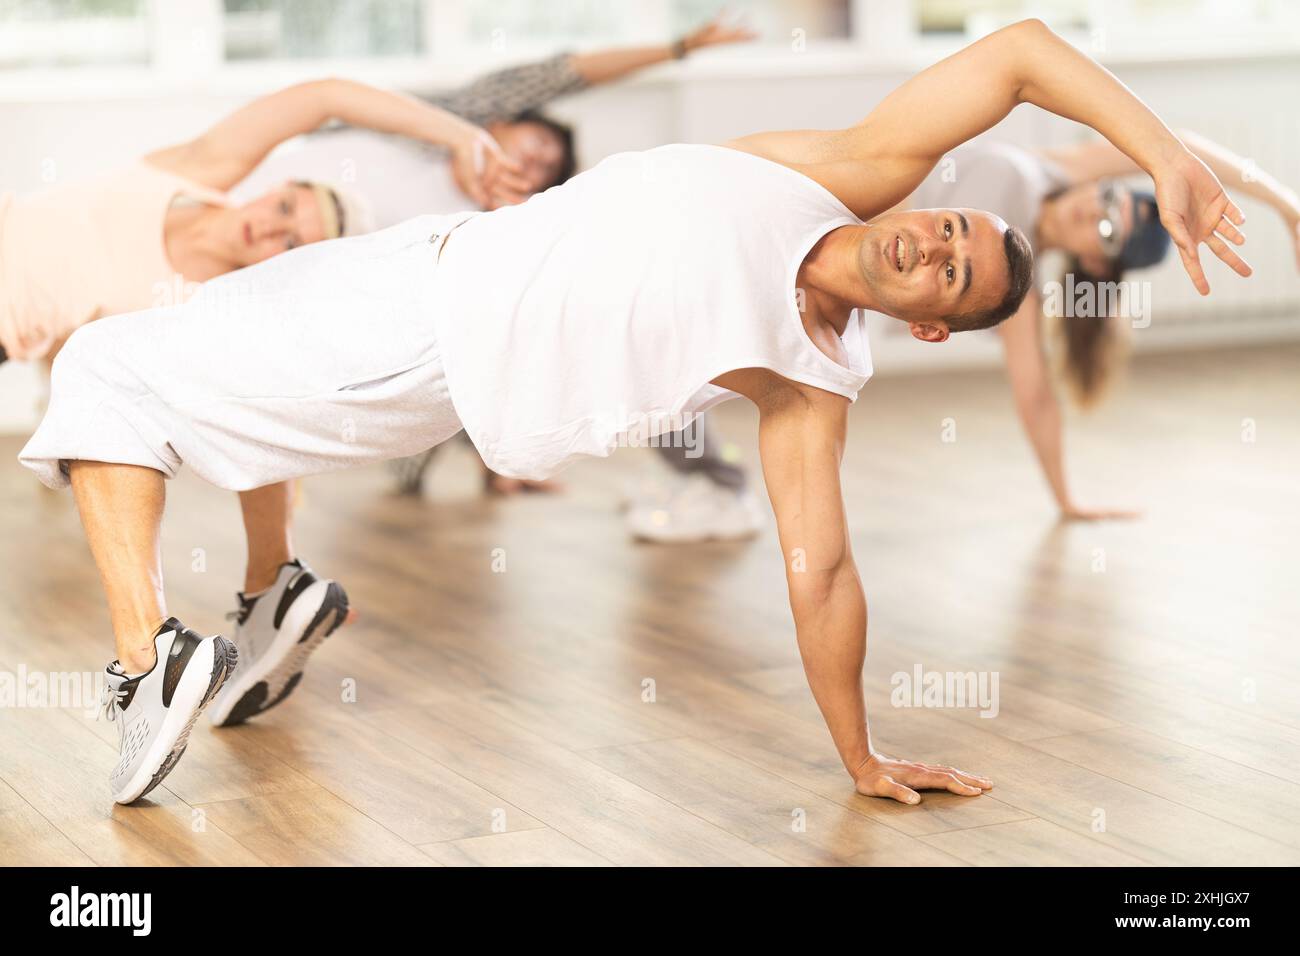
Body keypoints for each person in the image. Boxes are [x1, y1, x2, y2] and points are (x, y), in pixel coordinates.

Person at [20, 19, 1250, 806]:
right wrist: (1163, 155)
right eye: (945, 227)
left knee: (109, 371)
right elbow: (1021, 50)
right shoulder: (836, 171)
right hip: (419, 265)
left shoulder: (805, 382)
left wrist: (859, 753)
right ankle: (272, 592)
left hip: (421, 335)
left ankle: (147, 661)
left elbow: (822, 577)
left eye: (949, 273)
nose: (931, 245)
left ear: (929, 323)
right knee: (188, 365)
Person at [637, 131, 1299, 534]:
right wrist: (1284, 204)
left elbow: (1035, 395)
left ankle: (711, 484)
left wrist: (1066, 500)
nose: (1093, 210)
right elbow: (1179, 145)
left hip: (822, 275)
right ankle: (706, 481)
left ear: (1099, 264)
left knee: (680, 357)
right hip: (816, 209)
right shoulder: (1055, 168)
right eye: (1108, 198)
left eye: (1107, 231)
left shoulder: (1009, 292)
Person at [228, 13, 756, 496]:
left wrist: (499, 455)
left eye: (544, 171)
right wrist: (680, 47)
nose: (537, 162)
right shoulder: (443, 123)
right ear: (501, 120)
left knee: (610, 317)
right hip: (240, 206)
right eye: (538, 143)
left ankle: (713, 480)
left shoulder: (482, 233)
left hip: (305, 298)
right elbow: (563, 73)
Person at [0, 78, 523, 372]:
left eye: (291, 243)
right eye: (286, 209)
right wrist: (463, 136)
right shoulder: (194, 172)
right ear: (281, 186)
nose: (271, 228)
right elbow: (325, 98)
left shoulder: (209, 310)